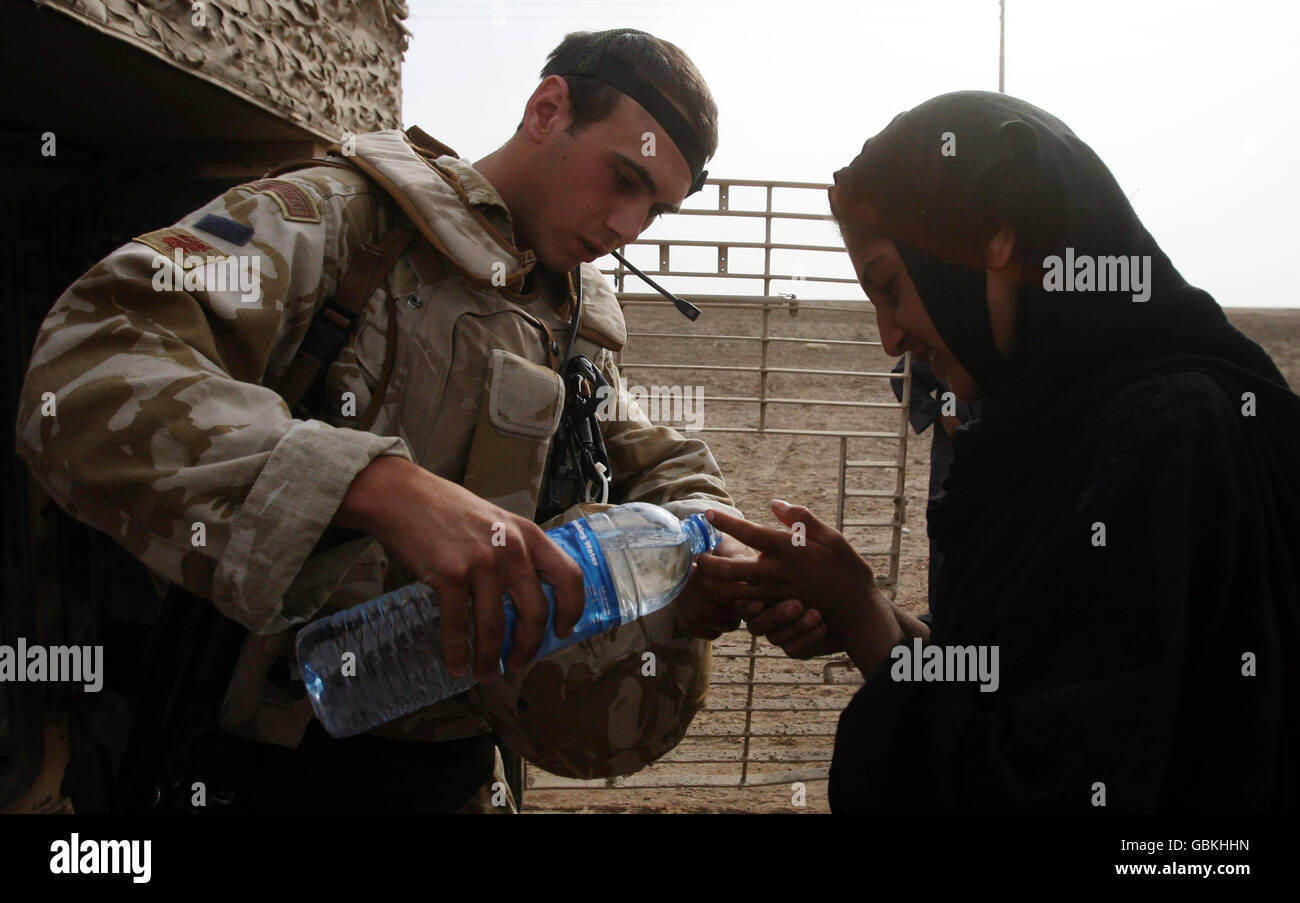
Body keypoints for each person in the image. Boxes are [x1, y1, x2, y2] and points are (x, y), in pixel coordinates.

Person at [13, 27, 749, 813]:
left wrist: (712, 532)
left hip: (459, 769)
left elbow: (648, 450)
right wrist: (373, 486)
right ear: (547, 109)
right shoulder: (343, 221)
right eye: (623, 178)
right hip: (260, 763)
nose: (628, 227)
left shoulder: (567, 315)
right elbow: (89, 360)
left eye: (656, 208)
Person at [698, 91, 1300, 812]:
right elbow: (1024, 679)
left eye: (892, 286)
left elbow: (1042, 783)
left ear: (994, 244)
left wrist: (863, 620)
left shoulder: (1165, 440)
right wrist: (861, 605)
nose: (890, 337)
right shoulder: (1056, 427)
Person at [890, 355, 979, 613]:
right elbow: (903, 375)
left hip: (1006, 440)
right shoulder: (945, 336)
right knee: (948, 525)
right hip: (955, 441)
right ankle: (943, 615)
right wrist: (939, 412)